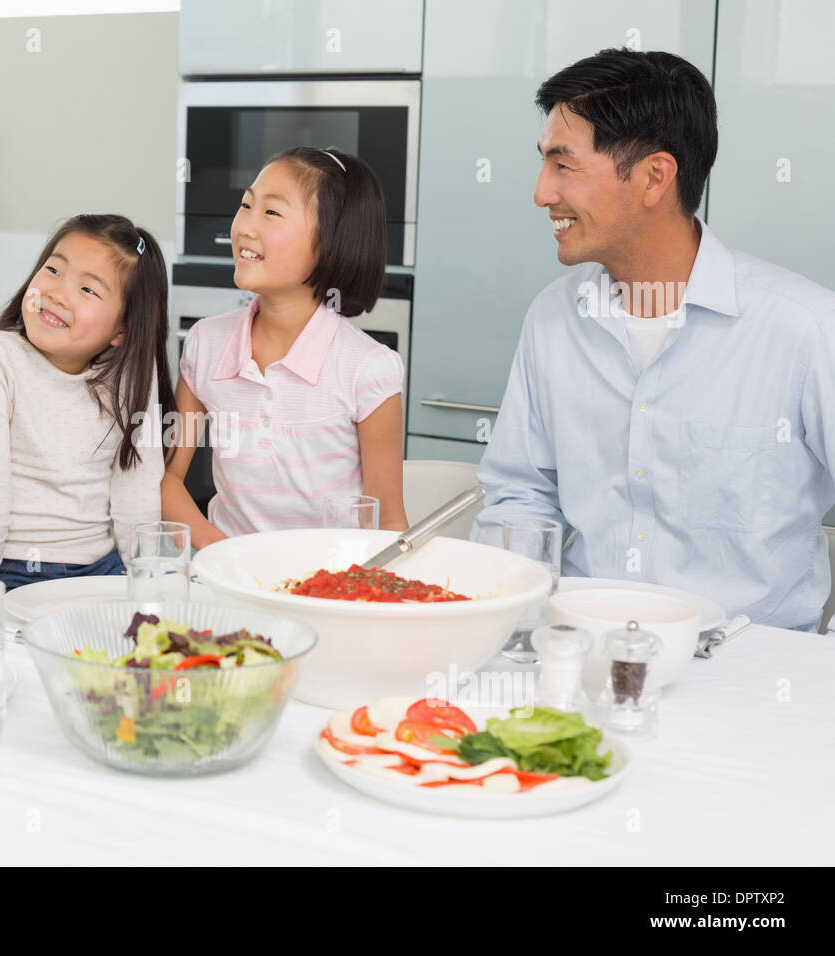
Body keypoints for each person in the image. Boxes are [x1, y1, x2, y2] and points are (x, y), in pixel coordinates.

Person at [472, 48, 835, 631]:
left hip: (750, 688)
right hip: (579, 661)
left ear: (654, 177)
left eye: (563, 165)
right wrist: (506, 628)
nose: (542, 193)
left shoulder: (805, 329)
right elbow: (520, 496)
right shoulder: (552, 320)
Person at [163, 146, 408, 546]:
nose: (245, 226)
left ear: (332, 238)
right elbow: (167, 480)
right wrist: (223, 556)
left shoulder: (368, 368)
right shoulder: (206, 343)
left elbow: (388, 523)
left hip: (325, 589)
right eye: (246, 205)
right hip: (229, 583)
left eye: (271, 212)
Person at [0, 214, 172, 590]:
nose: (58, 293)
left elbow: (136, 493)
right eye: (53, 270)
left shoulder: (131, 375)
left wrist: (144, 586)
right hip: (11, 572)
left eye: (89, 290)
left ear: (122, 328)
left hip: (101, 571)